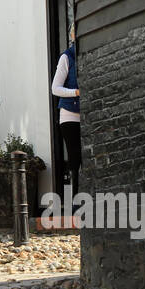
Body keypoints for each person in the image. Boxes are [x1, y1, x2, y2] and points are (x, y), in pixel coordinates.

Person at [51, 22, 81, 201]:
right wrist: (76, 92)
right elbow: (55, 88)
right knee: (75, 157)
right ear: (71, 36)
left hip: (87, 115)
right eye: (75, 32)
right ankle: (75, 203)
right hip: (69, 115)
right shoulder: (67, 57)